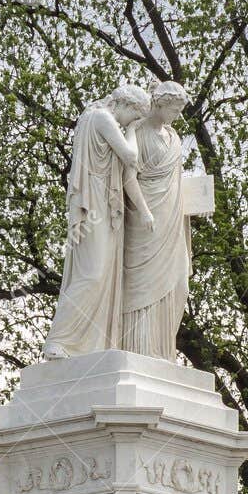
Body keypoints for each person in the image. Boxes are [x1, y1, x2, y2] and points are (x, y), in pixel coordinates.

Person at [43, 86, 153, 359]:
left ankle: (88, 343)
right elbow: (130, 156)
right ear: (127, 105)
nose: (133, 122)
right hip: (94, 206)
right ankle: (58, 339)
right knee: (91, 273)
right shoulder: (102, 117)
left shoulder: (93, 117)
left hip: (102, 203)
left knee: (100, 273)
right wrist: (132, 131)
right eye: (135, 116)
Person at [120, 80, 191, 360]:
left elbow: (176, 182)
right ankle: (141, 351)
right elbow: (128, 178)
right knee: (144, 284)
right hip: (144, 218)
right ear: (159, 104)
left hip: (172, 218)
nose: (176, 115)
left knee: (180, 281)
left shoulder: (173, 137)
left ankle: (163, 351)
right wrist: (145, 211)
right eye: (174, 109)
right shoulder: (136, 131)